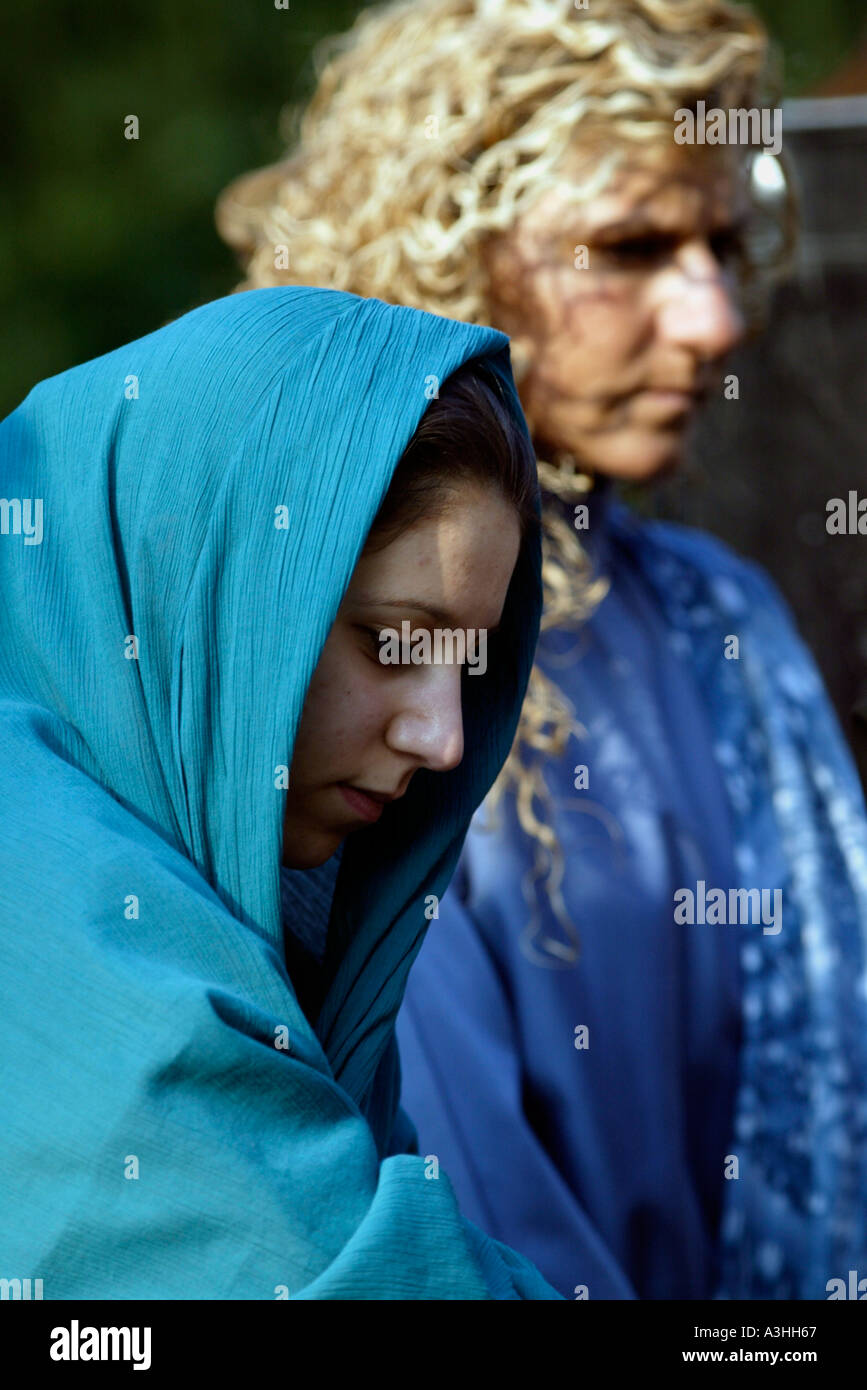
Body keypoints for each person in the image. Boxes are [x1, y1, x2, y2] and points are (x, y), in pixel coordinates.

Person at [216, 0, 867, 1300]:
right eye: (626, 247)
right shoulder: (311, 646)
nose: (714, 321)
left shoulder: (716, 617)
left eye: (724, 249)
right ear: (449, 242)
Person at [0, 283, 564, 1300]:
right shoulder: (60, 924)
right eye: (392, 640)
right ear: (201, 580)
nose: (441, 738)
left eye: (465, 665)